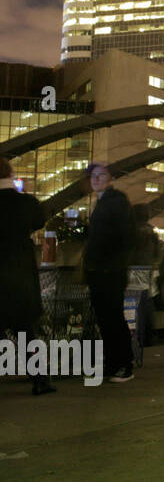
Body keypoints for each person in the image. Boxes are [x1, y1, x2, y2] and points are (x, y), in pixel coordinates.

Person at [0, 158, 56, 395]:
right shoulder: (26, 203)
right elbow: (38, 220)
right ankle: (39, 380)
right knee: (25, 332)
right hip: (20, 275)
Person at [83, 162, 136, 383]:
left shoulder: (116, 201)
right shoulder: (103, 201)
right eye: (93, 176)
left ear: (110, 178)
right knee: (105, 318)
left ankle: (124, 363)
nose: (96, 179)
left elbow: (124, 236)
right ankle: (113, 362)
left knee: (113, 317)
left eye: (101, 175)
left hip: (110, 270)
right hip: (100, 269)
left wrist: (111, 261)